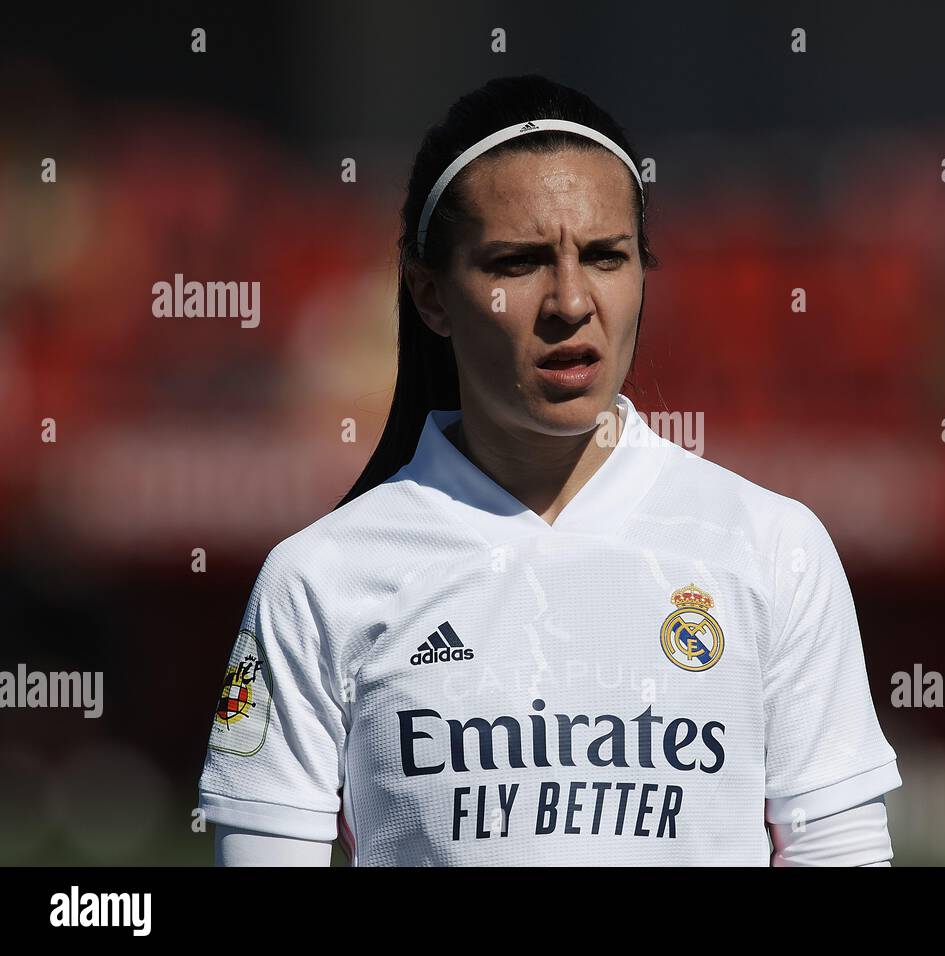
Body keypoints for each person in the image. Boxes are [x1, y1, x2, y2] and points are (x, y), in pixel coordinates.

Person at [198, 74, 901, 866]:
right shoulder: (317, 581)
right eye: (519, 262)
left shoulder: (773, 548)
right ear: (430, 294)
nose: (570, 301)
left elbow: (836, 847)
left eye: (606, 256)